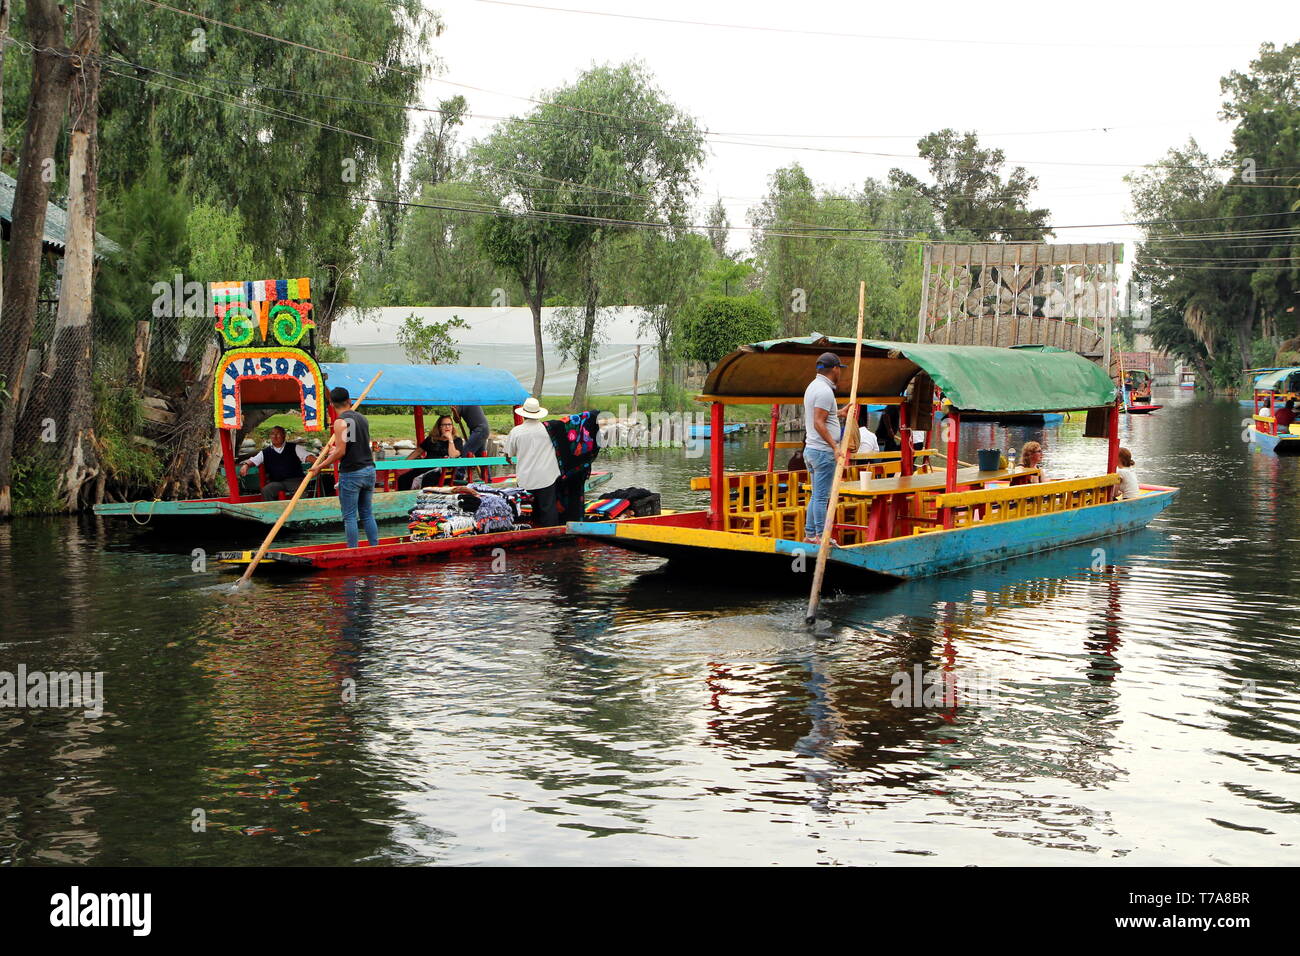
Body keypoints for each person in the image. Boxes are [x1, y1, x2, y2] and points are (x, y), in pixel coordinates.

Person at [316, 387, 379, 548]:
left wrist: (320, 466)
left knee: (349, 516)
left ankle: (353, 550)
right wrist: (335, 450)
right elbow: (351, 444)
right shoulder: (362, 418)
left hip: (352, 473)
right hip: (369, 470)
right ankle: (374, 547)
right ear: (349, 401)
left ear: (331, 404)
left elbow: (341, 451)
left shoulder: (340, 422)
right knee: (366, 513)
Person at [802, 351, 845, 545]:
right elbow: (819, 422)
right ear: (835, 369)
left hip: (812, 450)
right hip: (822, 452)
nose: (840, 374)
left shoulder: (814, 386)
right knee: (821, 498)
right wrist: (835, 446)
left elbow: (824, 417)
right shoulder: (824, 391)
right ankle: (821, 536)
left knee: (816, 496)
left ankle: (811, 534)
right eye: (840, 370)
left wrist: (839, 413)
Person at [505, 396, 561, 527]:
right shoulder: (548, 429)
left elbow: (509, 455)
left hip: (526, 478)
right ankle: (552, 534)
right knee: (548, 509)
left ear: (523, 415)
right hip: (547, 477)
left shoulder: (516, 432)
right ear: (538, 414)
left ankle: (528, 530)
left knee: (527, 510)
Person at [238, 426, 316, 501]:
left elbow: (309, 457)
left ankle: (302, 511)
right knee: (267, 490)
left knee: (301, 490)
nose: (275, 436)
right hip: (277, 482)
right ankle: (271, 512)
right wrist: (246, 465)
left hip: (294, 480)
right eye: (272, 434)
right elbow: (254, 460)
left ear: (284, 436)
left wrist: (319, 464)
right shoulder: (265, 452)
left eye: (278, 434)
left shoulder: (294, 448)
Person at [398, 414, 464, 490]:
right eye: (444, 425)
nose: (447, 427)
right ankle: (405, 500)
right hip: (425, 467)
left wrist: (450, 439)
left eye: (449, 424)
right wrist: (404, 464)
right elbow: (418, 451)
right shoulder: (432, 439)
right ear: (440, 427)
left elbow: (453, 455)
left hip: (443, 471)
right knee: (403, 479)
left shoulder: (457, 440)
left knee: (426, 479)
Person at [450, 404, 490, 482]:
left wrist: (454, 411)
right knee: (481, 456)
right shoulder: (466, 400)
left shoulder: (460, 401)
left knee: (466, 452)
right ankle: (488, 479)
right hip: (481, 429)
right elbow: (458, 419)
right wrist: (455, 411)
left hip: (480, 429)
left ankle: (458, 477)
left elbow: (457, 420)